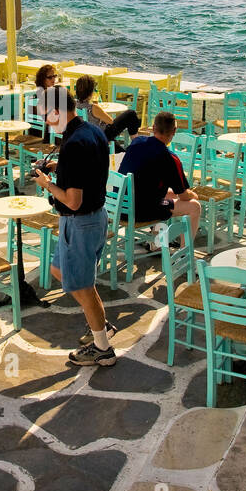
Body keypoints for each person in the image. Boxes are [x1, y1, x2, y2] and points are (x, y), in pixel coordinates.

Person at [33, 87, 115, 368]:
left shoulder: (73, 145)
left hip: (80, 222)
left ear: (56, 111)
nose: (45, 122)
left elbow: (73, 200)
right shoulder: (93, 131)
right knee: (60, 271)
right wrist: (60, 167)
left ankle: (103, 348)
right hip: (95, 217)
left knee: (83, 285)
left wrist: (47, 184)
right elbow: (87, 170)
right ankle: (101, 325)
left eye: (46, 115)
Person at [119, 111, 201, 244]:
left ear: (153, 127)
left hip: (120, 206)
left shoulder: (136, 143)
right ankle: (185, 254)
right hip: (141, 211)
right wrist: (193, 195)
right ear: (174, 131)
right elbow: (184, 195)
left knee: (167, 195)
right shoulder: (170, 158)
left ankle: (156, 244)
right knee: (194, 206)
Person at [74, 75, 141, 145]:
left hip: (88, 136)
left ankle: (123, 146)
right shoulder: (93, 107)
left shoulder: (74, 104)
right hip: (101, 135)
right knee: (131, 114)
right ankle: (136, 143)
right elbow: (110, 121)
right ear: (90, 92)